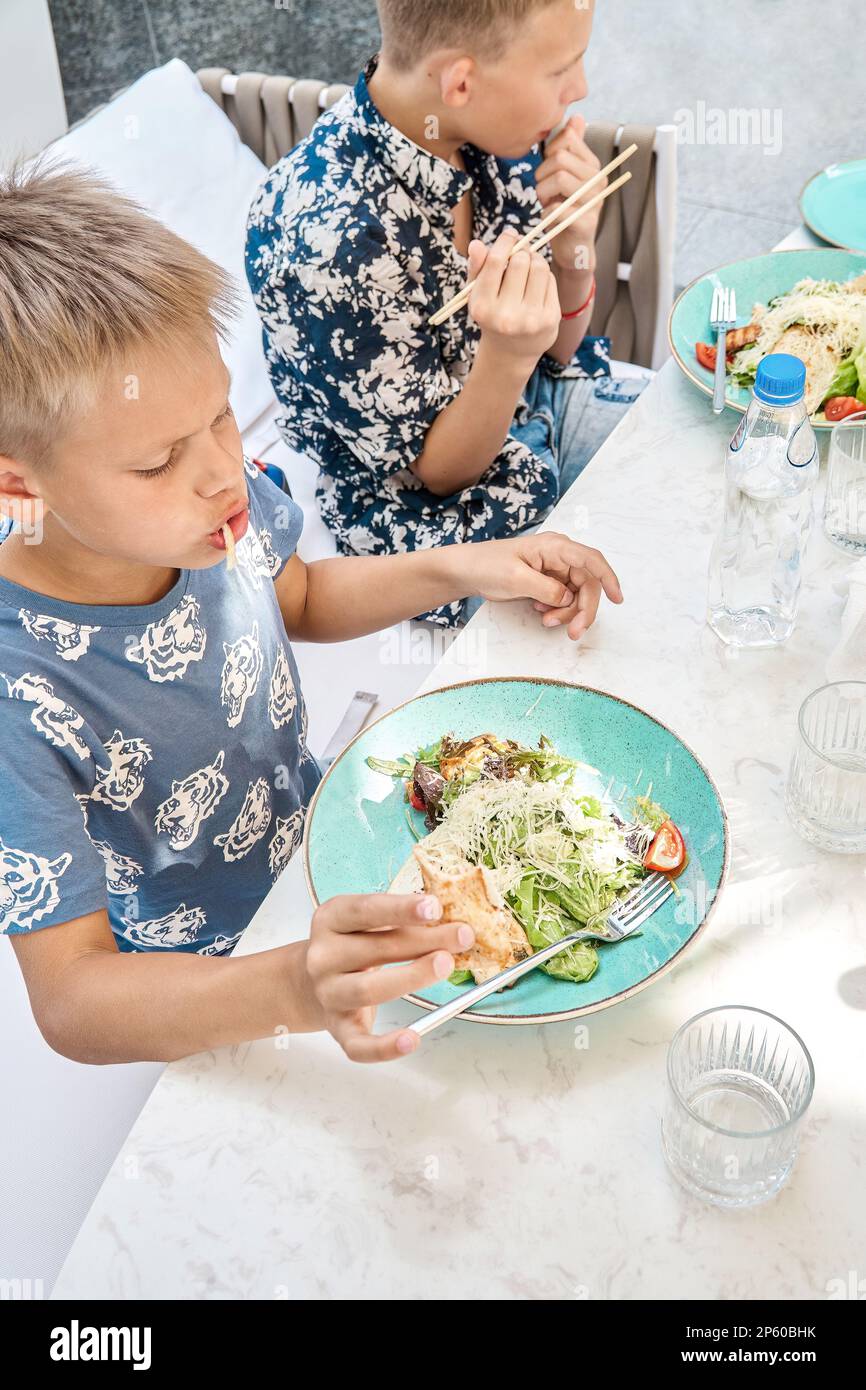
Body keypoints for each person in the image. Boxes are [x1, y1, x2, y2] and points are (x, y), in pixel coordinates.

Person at [0, 165, 622, 1065]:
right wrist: (294, 985)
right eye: (157, 461)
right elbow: (74, 999)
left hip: (336, 857)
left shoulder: (209, 505)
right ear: (19, 483)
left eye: (220, 415)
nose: (221, 469)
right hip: (224, 989)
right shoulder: (20, 694)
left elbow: (298, 597)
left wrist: (465, 566)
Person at [246, 0, 646, 625]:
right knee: (607, 618)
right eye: (561, 69)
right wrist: (508, 356)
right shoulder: (327, 241)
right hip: (437, 508)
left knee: (707, 478)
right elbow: (438, 474)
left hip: (534, 403)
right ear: (460, 81)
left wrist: (573, 251)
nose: (581, 89)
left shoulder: (490, 136)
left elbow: (558, 352)